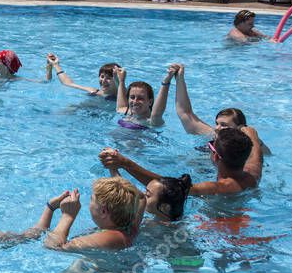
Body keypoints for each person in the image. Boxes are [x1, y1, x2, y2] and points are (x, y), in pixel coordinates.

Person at [100, 126, 262, 197]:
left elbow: (170, 187)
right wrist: (250, 134)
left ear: (215, 157)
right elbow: (256, 156)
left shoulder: (217, 187)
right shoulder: (252, 176)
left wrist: (125, 163)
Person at [43, 178, 146, 251]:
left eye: (91, 199)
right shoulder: (131, 226)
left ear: (103, 212)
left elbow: (53, 246)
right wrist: (117, 186)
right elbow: (141, 198)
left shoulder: (110, 237)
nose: (89, 203)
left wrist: (68, 216)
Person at [170, 64, 260, 139]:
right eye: (217, 124)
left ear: (240, 129)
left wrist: (251, 137)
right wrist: (179, 78)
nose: (217, 128)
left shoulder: (250, 148)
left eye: (224, 125)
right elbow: (185, 113)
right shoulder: (214, 135)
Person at [99, 149, 192, 221]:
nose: (143, 195)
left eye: (148, 195)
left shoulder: (160, 230)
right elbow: (126, 190)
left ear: (164, 207)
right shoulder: (161, 219)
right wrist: (112, 167)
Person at [46, 55, 120, 100]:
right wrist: (55, 64)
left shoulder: (122, 97)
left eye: (109, 78)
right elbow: (68, 83)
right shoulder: (94, 91)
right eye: (102, 76)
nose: (104, 81)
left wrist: (119, 80)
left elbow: (120, 86)